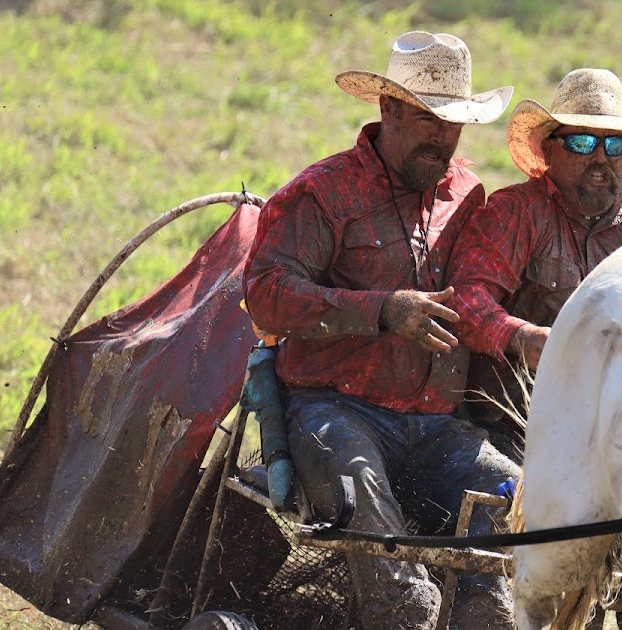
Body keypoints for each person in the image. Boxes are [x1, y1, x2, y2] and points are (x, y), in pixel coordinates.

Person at [244, 31, 519, 629]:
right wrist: (383, 310)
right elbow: (265, 294)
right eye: (428, 118)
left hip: (440, 428)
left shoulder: (467, 196)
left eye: (455, 122)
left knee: (514, 499)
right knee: (394, 573)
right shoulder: (323, 192)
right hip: (333, 413)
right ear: (388, 108)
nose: (444, 137)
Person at [448, 68, 622, 448]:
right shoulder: (516, 212)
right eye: (584, 143)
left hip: (621, 432)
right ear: (550, 149)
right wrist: (524, 338)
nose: (601, 158)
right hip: (512, 427)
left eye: (616, 146)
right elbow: (465, 301)